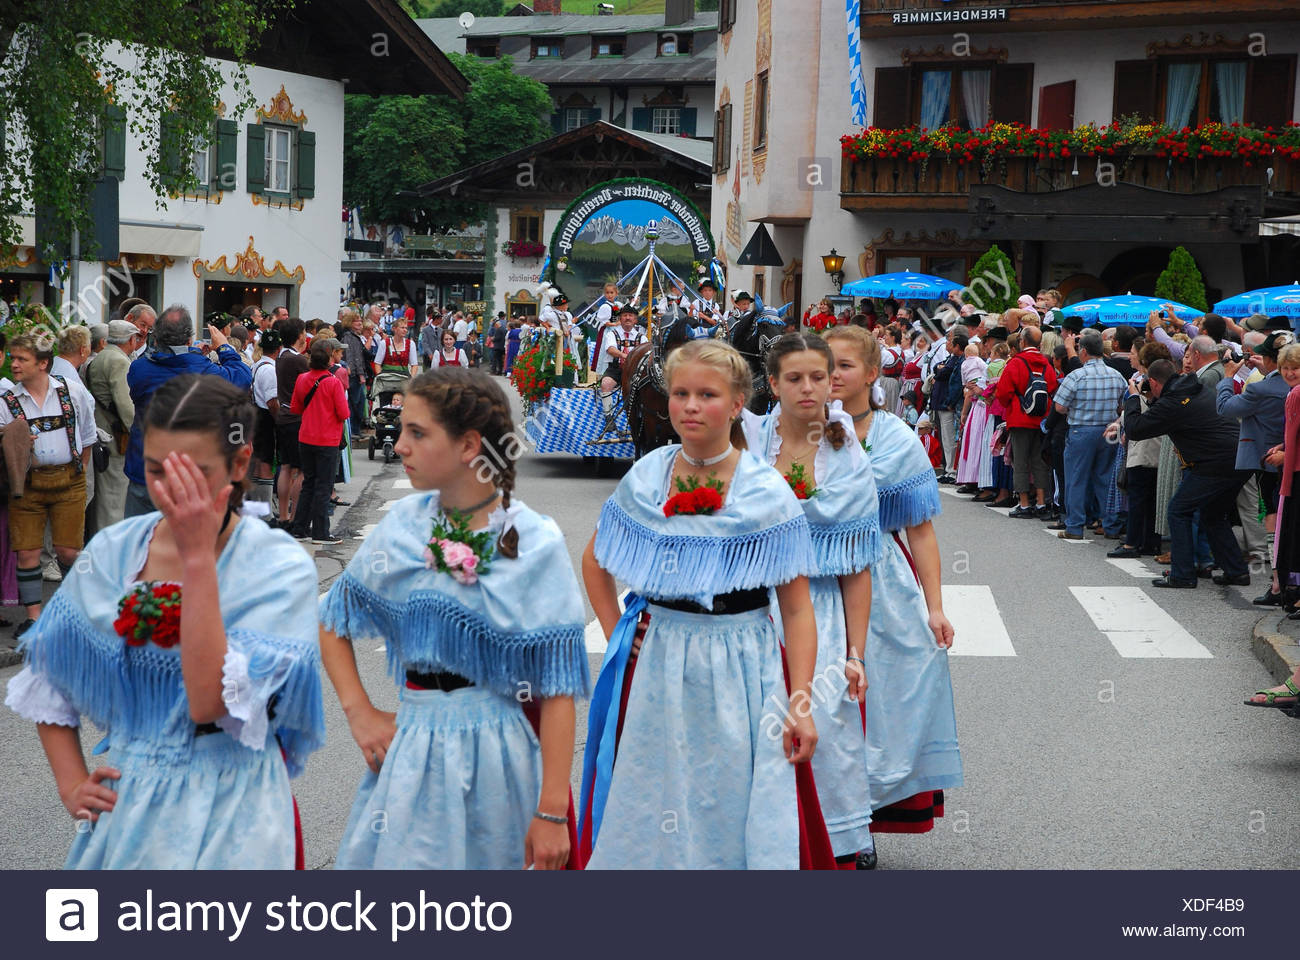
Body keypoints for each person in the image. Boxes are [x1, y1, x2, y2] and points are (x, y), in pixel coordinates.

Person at [2, 375, 324, 867]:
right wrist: (72, 782)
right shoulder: (115, 549)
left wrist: (197, 560)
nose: (171, 489)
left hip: (235, 803)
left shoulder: (278, 566)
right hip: (131, 800)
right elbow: (50, 674)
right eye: (155, 470)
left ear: (241, 463)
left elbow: (208, 701)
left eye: (194, 471)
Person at [320, 367, 587, 869]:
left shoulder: (535, 539)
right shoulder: (402, 524)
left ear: (469, 446)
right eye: (401, 430)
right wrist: (361, 713)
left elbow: (556, 689)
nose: (399, 446)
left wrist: (552, 812)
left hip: (499, 753)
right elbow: (333, 620)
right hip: (414, 746)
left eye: (417, 433)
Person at [579, 339, 830, 869]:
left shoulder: (767, 491)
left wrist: (801, 701)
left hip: (742, 664)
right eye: (680, 393)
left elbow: (797, 608)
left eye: (707, 394)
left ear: (739, 403)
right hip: (657, 664)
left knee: (729, 796)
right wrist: (621, 634)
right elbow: (595, 562)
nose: (690, 406)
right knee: (651, 793)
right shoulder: (647, 476)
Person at [741, 333, 879, 868]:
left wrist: (856, 653)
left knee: (827, 721)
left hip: (818, 608)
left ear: (832, 382)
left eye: (818, 377)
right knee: (759, 724)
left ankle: (837, 839)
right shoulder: (749, 440)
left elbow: (858, 564)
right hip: (753, 603)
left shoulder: (847, 452)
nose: (807, 388)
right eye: (794, 378)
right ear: (772, 383)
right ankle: (762, 837)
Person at [825, 325, 961, 849]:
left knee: (875, 704)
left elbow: (920, 531)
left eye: (844, 365)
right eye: (824, 364)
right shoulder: (789, 426)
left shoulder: (896, 438)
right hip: (802, 577)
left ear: (873, 373)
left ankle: (856, 827)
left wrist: (935, 608)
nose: (832, 375)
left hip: (878, 576)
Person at [0, 333, 98, 639]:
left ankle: (78, 609)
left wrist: (79, 471)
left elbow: (88, 436)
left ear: (43, 363)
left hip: (68, 481)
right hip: (26, 485)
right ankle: (34, 618)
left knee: (68, 551)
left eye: (21, 359)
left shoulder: (72, 392)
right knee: (27, 552)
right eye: (12, 358)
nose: (13, 364)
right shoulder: (7, 402)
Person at [1124, 359, 1250, 588]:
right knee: (1213, 514)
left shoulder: (1172, 403)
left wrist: (1133, 397)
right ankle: (1236, 571)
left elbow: (1136, 429)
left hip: (1214, 462)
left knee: (1178, 510)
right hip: (1239, 457)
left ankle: (1182, 574)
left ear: (1152, 382)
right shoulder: (1196, 387)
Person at [124, 305, 252, 520]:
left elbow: (164, 363)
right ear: (189, 339)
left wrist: (191, 354)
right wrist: (224, 347)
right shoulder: (204, 371)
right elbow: (242, 378)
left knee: (140, 544)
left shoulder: (139, 369)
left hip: (145, 472)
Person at [1052, 331, 1127, 540]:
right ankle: (1110, 524)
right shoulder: (1116, 375)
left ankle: (1075, 526)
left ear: (1082, 351)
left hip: (1081, 430)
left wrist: (1074, 410)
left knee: (1076, 478)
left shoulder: (1076, 376)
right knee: (1105, 478)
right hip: (1108, 430)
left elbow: (1059, 407)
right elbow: (1123, 404)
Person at [287, 340, 350, 545]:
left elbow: (295, 408)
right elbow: (344, 413)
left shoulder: (302, 378)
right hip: (327, 439)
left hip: (306, 436)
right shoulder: (333, 382)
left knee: (309, 483)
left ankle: (300, 527)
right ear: (329, 360)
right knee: (324, 484)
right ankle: (321, 531)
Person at [995, 325, 1058, 518]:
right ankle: (1040, 502)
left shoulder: (1015, 363)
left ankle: (1024, 503)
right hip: (1041, 417)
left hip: (1019, 416)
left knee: (1020, 461)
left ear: (1022, 341)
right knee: (1039, 461)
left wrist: (1013, 403)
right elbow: (1053, 387)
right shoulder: (1046, 364)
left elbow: (1003, 393)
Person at [86, 319, 142, 532]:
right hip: (115, 435)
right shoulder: (119, 360)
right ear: (129, 339)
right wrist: (136, 433)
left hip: (102, 430)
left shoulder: (101, 356)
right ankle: (109, 548)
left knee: (103, 494)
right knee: (114, 497)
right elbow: (126, 405)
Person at [274, 318, 310, 529]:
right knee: (301, 469)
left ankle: (283, 514)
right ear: (299, 336)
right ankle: (296, 515)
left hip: (283, 415)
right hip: (297, 416)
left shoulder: (281, 356)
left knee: (286, 466)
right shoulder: (298, 361)